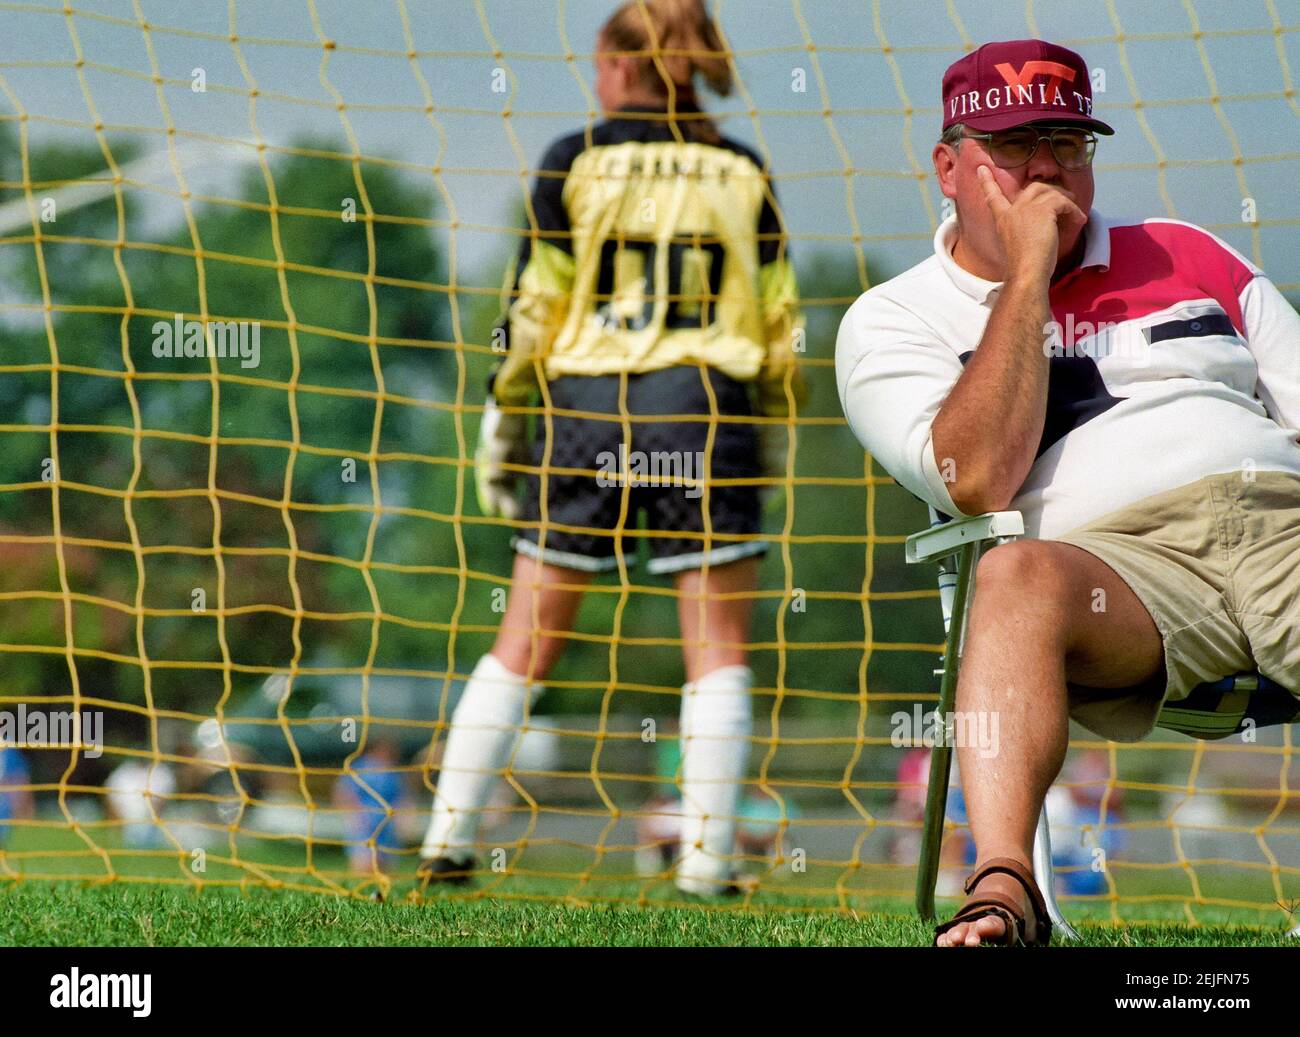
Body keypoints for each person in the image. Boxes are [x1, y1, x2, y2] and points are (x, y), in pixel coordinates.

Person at [836, 38, 1300, 945]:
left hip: (1281, 517)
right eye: (1014, 147)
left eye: (1071, 143)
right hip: (1121, 576)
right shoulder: (893, 318)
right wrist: (1028, 277)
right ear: (947, 167)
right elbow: (972, 479)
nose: (1048, 166)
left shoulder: (1188, 251)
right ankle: (1005, 892)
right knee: (1010, 576)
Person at [419, 0, 804, 897]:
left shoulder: (574, 157)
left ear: (622, 66)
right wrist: (774, 421)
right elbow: (779, 322)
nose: (593, 79)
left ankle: (447, 844)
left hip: (585, 411)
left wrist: (504, 411)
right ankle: (705, 868)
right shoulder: (741, 168)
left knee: (524, 638)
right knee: (715, 649)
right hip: (704, 408)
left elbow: (533, 305)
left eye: (597, 63)